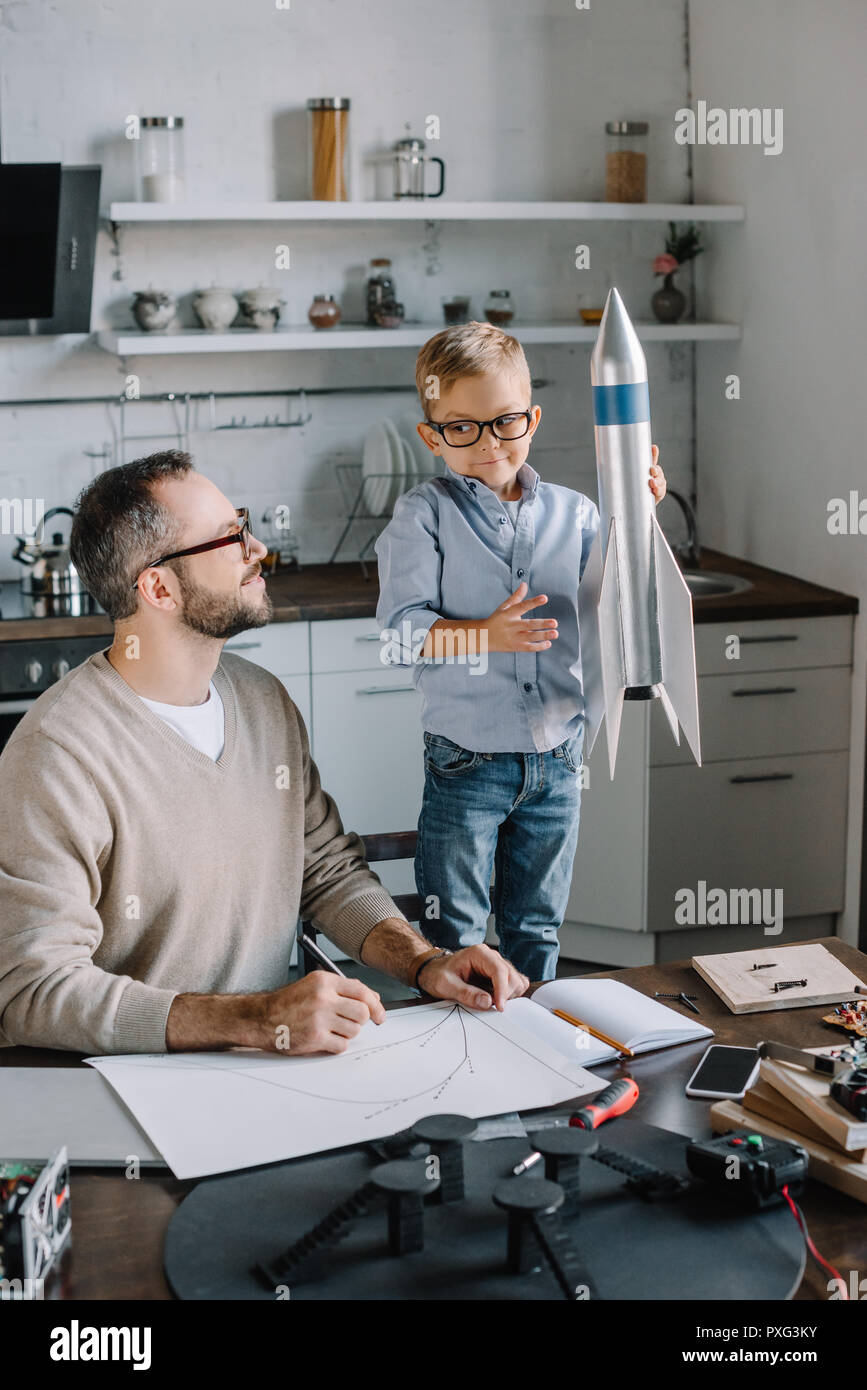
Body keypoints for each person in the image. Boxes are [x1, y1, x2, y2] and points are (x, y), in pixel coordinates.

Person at [0, 451, 527, 1056]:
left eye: (243, 524)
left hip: (276, 1066)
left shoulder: (262, 701)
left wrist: (424, 963)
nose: (257, 549)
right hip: (136, 1091)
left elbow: (326, 872)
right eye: (229, 538)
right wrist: (257, 1018)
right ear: (158, 587)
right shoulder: (59, 754)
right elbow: (33, 992)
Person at [375, 321, 666, 981]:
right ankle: (459, 1062)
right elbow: (398, 635)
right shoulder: (421, 517)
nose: (486, 443)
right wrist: (486, 633)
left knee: (535, 926)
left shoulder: (578, 514)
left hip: (559, 757)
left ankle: (536, 1059)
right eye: (462, 426)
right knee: (454, 933)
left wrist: (641, 517)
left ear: (530, 420)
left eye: (503, 422)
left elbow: (620, 602)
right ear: (432, 435)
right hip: (466, 763)